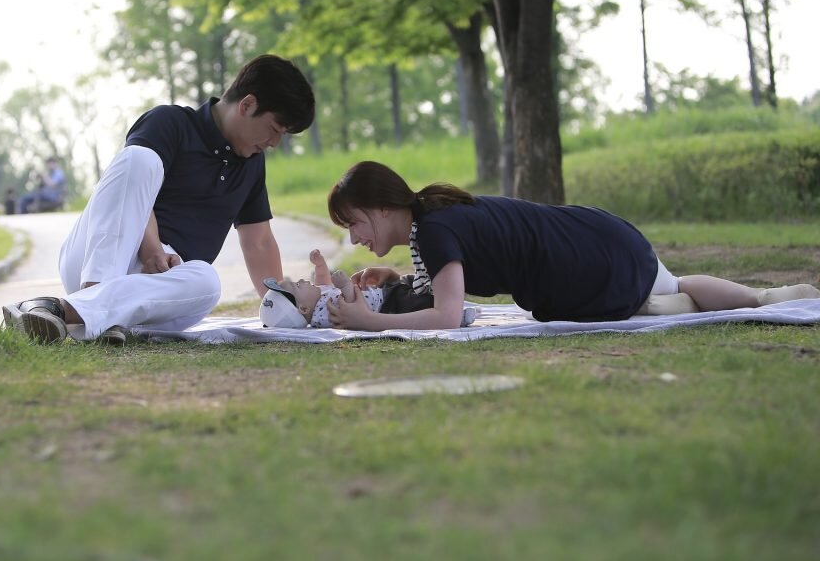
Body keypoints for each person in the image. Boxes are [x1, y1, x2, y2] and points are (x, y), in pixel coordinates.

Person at [2, 54, 315, 343]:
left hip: (158, 293)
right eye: (274, 129)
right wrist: (150, 246)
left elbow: (258, 241)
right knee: (140, 159)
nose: (274, 143)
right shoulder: (170, 122)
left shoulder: (251, 164)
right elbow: (131, 185)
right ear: (247, 105)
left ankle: (70, 312)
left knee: (207, 280)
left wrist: (282, 306)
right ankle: (92, 299)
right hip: (96, 261)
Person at [322, 160, 820, 331]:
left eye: (356, 223)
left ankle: (675, 302)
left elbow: (447, 317)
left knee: (655, 294)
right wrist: (394, 282)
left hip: (586, 264)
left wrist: (372, 321)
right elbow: (440, 290)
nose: (355, 238)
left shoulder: (431, 229)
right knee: (670, 283)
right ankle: (759, 299)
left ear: (383, 208)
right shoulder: (431, 217)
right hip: (601, 237)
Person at [259, 249, 476, 328]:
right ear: (304, 310)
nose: (303, 281)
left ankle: (447, 294)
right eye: (298, 286)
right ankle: (459, 315)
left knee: (410, 284)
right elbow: (352, 306)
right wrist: (345, 286)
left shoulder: (317, 297)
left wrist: (320, 266)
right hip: (386, 306)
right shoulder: (323, 313)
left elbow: (323, 282)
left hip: (383, 294)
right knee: (414, 302)